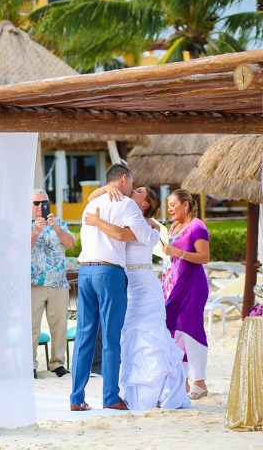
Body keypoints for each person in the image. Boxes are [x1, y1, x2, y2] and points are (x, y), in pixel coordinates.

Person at [85, 185, 190, 410]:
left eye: (139, 190)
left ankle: (155, 392)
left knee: (149, 338)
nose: (133, 190)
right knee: (128, 338)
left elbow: (122, 235)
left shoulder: (147, 227)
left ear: (146, 204)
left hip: (145, 287)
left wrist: (97, 222)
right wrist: (107, 187)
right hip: (126, 287)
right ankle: (130, 391)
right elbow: (91, 198)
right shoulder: (127, 214)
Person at [70, 163, 156, 412]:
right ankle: (110, 397)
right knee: (110, 337)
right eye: (132, 183)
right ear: (124, 179)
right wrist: (153, 234)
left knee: (84, 336)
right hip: (109, 272)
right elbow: (142, 235)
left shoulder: (91, 204)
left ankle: (76, 398)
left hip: (84, 271)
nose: (132, 187)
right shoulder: (127, 204)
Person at [162, 189, 210, 400]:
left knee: (191, 329)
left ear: (186, 205)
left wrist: (178, 252)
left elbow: (204, 257)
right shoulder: (173, 226)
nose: (169, 208)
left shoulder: (197, 226)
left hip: (192, 286)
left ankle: (199, 381)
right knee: (175, 330)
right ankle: (184, 380)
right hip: (173, 286)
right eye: (168, 205)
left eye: (173, 204)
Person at [30, 189, 75, 379]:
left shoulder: (60, 222)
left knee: (59, 326)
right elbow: (19, 250)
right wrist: (36, 231)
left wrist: (56, 227)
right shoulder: (24, 224)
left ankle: (57, 363)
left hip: (58, 283)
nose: (41, 207)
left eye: (44, 202)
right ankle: (30, 364)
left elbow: (71, 243)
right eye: (36, 203)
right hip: (34, 283)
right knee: (32, 326)